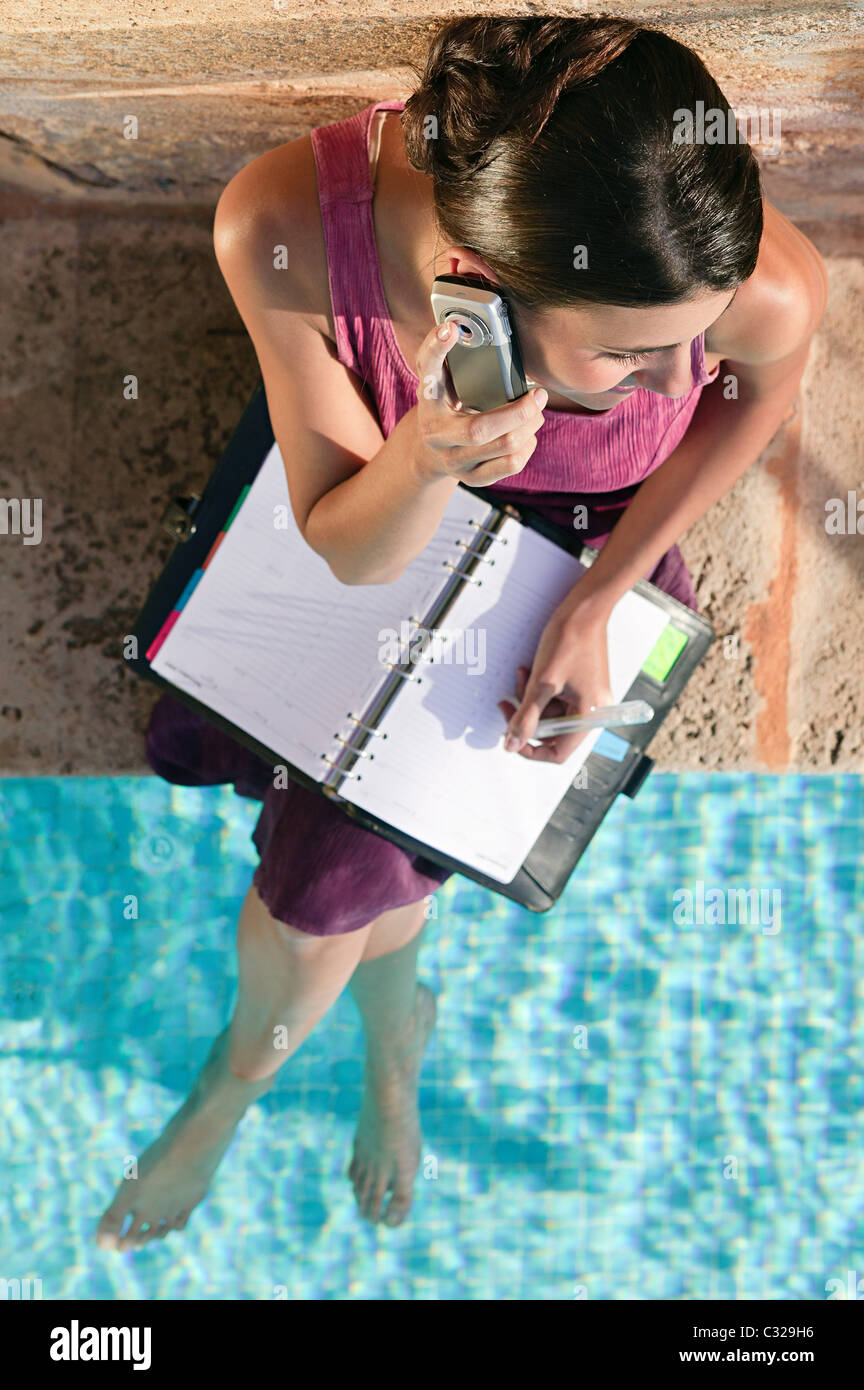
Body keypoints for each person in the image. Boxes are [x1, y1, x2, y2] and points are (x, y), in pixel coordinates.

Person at [96, 14, 826, 1248]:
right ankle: (360, 1047)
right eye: (635, 357)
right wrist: (432, 452)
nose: (675, 382)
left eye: (686, 342)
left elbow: (764, 384)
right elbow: (346, 540)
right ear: (473, 297)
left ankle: (273, 1070)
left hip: (596, 549)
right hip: (382, 522)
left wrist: (604, 594)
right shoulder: (279, 227)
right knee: (347, 875)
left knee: (336, 879)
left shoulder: (740, 281)